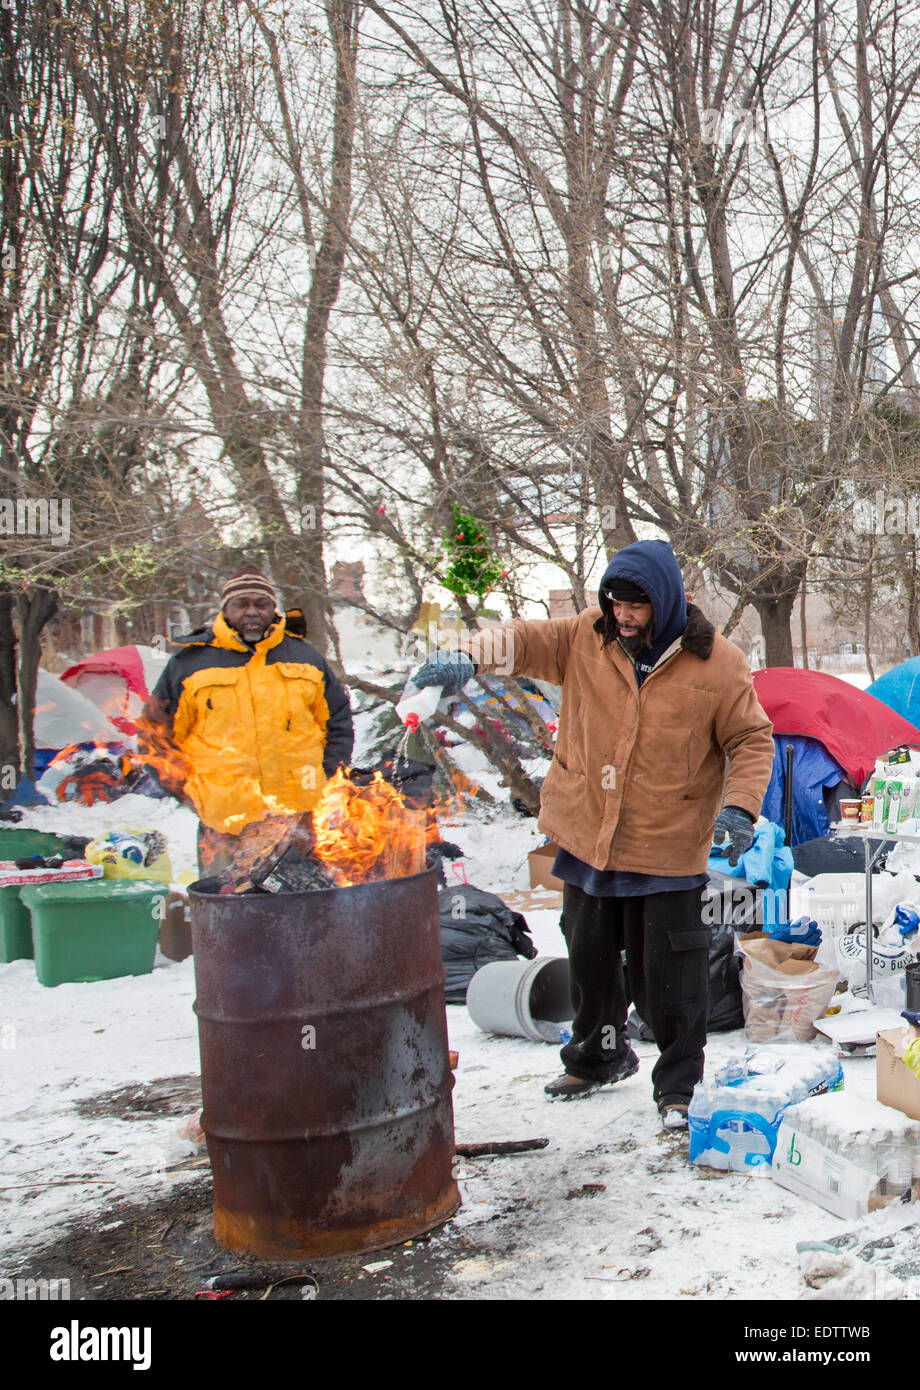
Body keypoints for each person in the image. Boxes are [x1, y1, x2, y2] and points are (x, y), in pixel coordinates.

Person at [414, 539, 773, 1129]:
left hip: (667, 843)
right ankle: (598, 1056)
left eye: (635, 606)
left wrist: (739, 809)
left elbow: (751, 741)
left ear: (665, 601)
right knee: (591, 962)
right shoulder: (587, 634)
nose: (623, 616)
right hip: (588, 836)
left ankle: (678, 1087)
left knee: (672, 978)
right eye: (614, 603)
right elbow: (523, 639)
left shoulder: (720, 664)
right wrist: (468, 656)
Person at [137, 564, 353, 875]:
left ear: (273, 608)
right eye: (242, 604)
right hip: (224, 823)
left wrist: (325, 775)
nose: (252, 612)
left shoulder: (305, 657)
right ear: (225, 609)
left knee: (302, 911)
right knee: (229, 912)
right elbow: (153, 736)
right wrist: (188, 792)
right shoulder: (190, 663)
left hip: (295, 819)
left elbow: (338, 723)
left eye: (261, 604)